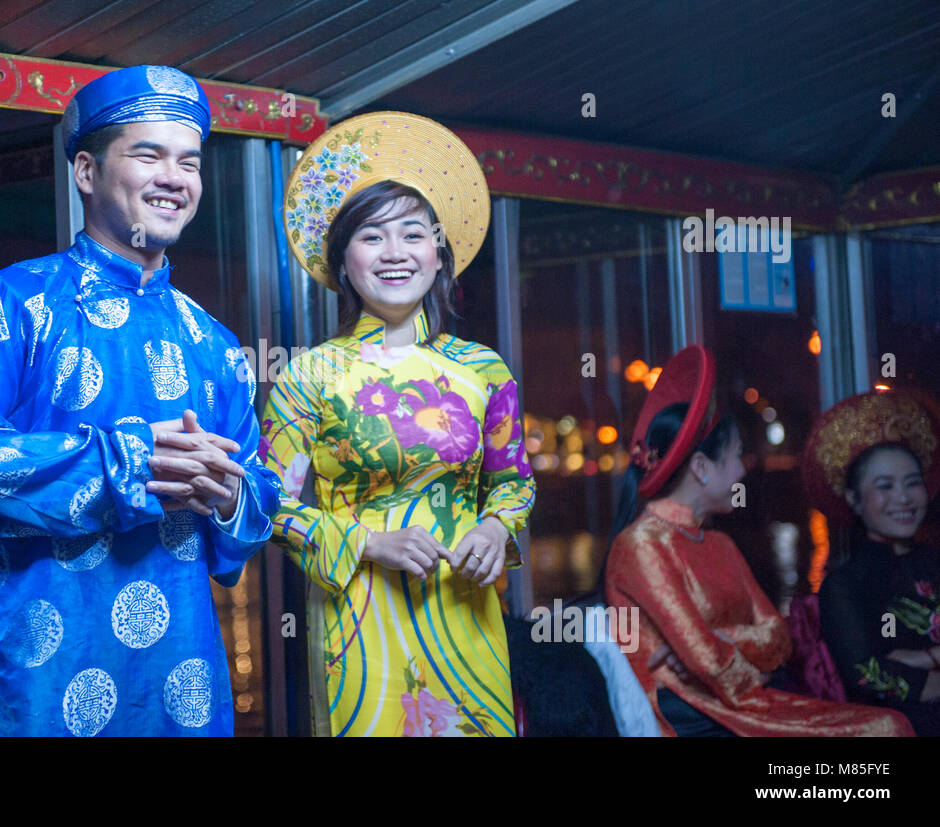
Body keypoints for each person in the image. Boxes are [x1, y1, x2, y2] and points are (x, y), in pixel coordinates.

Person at [0, 65, 281, 737]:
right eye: (149, 154)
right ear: (85, 171)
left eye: (189, 162)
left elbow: (253, 507)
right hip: (29, 672)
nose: (175, 177)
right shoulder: (13, 302)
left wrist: (225, 492)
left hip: (177, 681)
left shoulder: (215, 345)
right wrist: (130, 464)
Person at [260, 112, 535, 736]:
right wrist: (365, 542)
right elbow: (266, 501)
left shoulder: (483, 370)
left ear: (439, 253)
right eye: (371, 237)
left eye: (413, 234)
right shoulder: (309, 376)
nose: (394, 254)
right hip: (361, 622)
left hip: (467, 614)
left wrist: (496, 530)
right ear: (343, 261)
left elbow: (513, 481)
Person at [603, 345, 913, 736]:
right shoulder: (642, 544)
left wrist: (725, 638)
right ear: (701, 468)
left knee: (889, 724)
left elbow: (779, 640)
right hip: (694, 717)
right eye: (736, 457)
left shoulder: (719, 544)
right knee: (883, 728)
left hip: (739, 701)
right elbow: (708, 662)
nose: (742, 470)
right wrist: (731, 654)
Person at [805, 388, 940, 735]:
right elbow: (871, 680)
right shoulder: (844, 585)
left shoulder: (935, 562)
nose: (903, 498)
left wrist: (925, 659)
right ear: (853, 498)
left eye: (912, 483)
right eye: (885, 486)